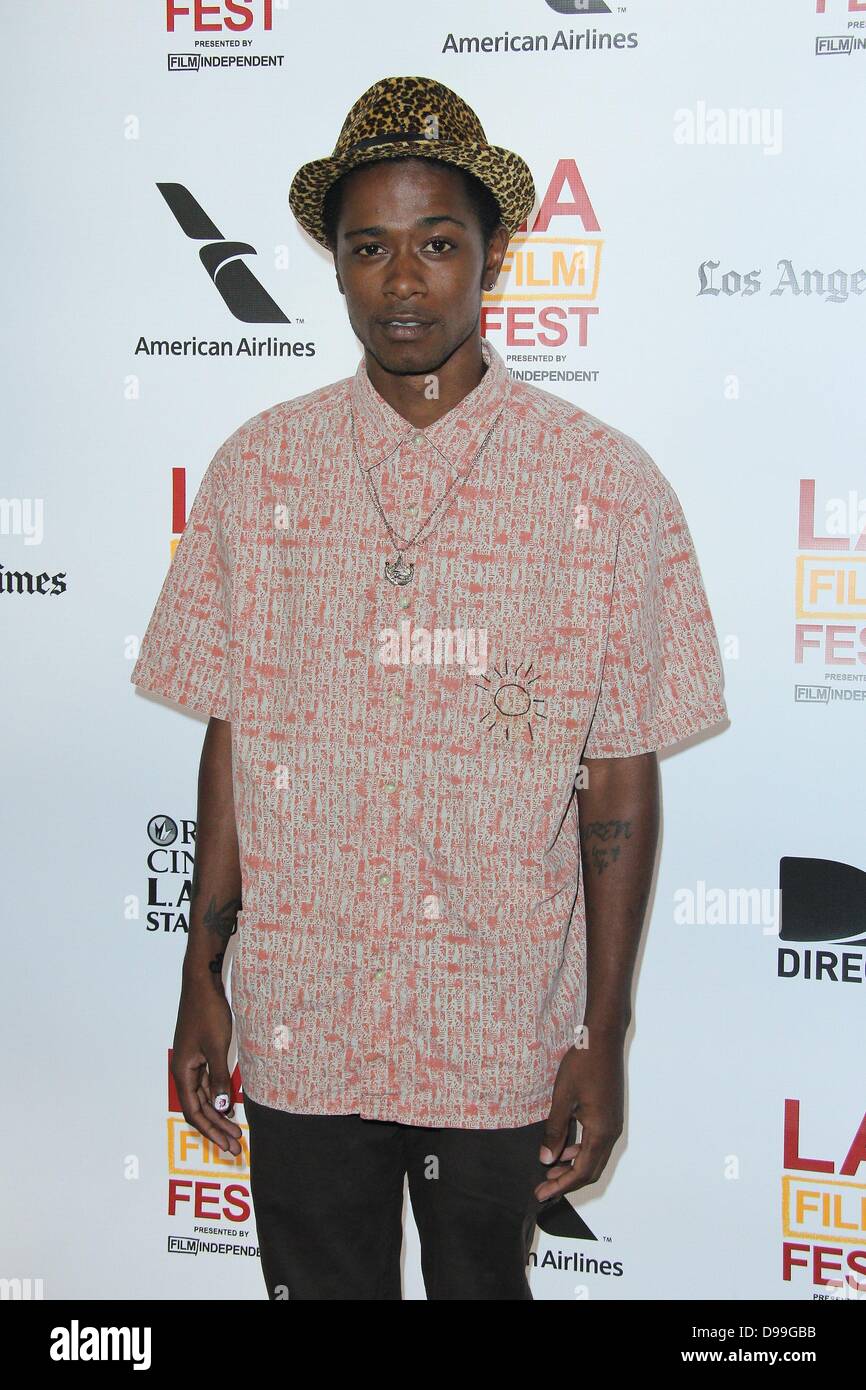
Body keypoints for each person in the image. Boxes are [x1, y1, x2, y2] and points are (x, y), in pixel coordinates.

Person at [130, 75, 729, 1300]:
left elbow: (618, 772)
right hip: (306, 1018)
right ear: (335, 264)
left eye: (437, 244)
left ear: (491, 258)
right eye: (370, 248)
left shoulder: (603, 489)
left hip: (500, 1029)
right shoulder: (257, 474)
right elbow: (233, 740)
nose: (403, 282)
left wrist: (598, 1036)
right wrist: (202, 984)